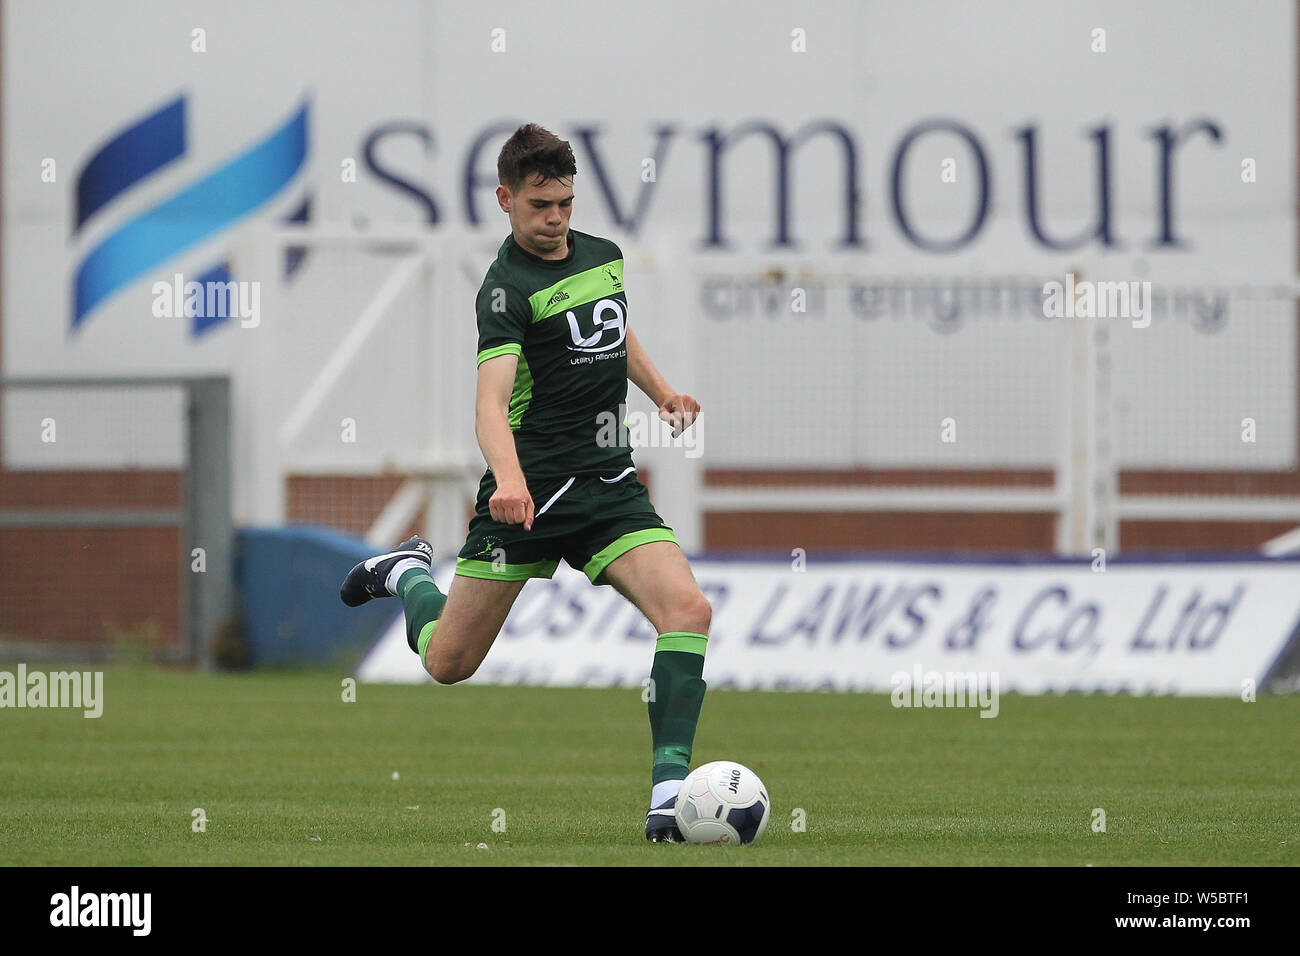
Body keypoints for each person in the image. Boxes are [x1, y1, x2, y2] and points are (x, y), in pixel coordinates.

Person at [341, 123, 710, 842]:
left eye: (566, 204)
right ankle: (409, 577)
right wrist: (508, 482)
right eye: (541, 205)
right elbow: (489, 403)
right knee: (448, 663)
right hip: (528, 500)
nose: (556, 219)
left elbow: (615, 330)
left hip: (608, 489)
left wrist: (662, 393)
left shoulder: (602, 257)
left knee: (689, 611)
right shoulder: (506, 291)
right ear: (507, 200)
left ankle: (669, 795)